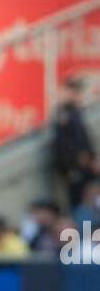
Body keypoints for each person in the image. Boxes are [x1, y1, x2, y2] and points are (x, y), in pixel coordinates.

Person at [52, 75, 98, 209]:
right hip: (75, 169)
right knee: (81, 205)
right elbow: (63, 144)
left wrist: (91, 159)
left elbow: (83, 139)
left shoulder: (75, 111)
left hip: (84, 167)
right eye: (74, 90)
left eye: (78, 90)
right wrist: (75, 164)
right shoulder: (63, 112)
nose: (78, 94)